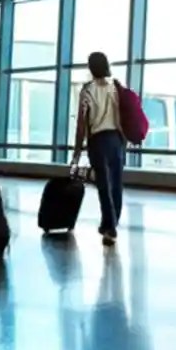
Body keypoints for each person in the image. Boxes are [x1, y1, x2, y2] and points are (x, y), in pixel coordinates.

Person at [72, 52, 126, 246]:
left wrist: (77, 151)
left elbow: (81, 123)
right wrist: (123, 141)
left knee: (103, 185)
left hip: (98, 141)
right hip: (116, 139)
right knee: (116, 183)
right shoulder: (115, 88)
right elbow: (122, 116)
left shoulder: (87, 91)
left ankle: (110, 229)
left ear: (90, 68)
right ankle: (110, 223)